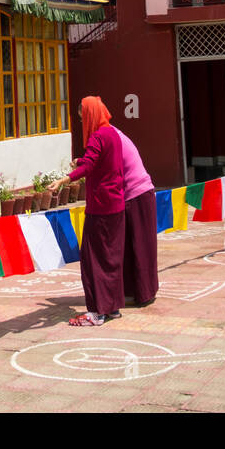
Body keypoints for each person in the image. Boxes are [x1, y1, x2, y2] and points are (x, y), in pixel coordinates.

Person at [54, 96, 125, 327]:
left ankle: (97, 312)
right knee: (111, 257)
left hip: (101, 206)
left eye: (83, 117)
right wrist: (84, 161)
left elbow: (89, 166)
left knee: (93, 259)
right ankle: (112, 307)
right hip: (116, 204)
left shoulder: (97, 136)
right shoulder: (113, 133)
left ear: (91, 115)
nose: (82, 121)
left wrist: (64, 179)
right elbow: (97, 162)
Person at [116, 124, 159, 307]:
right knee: (127, 245)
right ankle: (133, 290)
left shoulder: (110, 137)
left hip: (137, 194)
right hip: (134, 194)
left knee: (140, 245)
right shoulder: (113, 134)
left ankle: (144, 292)